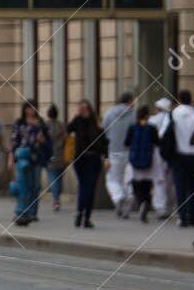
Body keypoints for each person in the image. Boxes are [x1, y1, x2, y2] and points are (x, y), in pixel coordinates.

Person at [167, 89, 194, 227]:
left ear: (179, 99)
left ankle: (182, 216)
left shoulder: (173, 114)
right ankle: (192, 215)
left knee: (180, 187)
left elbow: (164, 134)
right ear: (191, 100)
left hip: (179, 156)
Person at [66, 99, 105, 228]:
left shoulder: (95, 121)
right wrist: (76, 117)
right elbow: (68, 129)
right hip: (80, 159)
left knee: (91, 188)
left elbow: (103, 140)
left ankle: (86, 216)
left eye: (84, 109)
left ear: (89, 109)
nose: (82, 111)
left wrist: (106, 157)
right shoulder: (77, 121)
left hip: (94, 159)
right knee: (84, 187)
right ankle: (80, 214)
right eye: (80, 109)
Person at [10, 101, 48, 226]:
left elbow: (47, 141)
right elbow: (14, 141)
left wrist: (42, 140)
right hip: (22, 157)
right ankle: (23, 210)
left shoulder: (40, 123)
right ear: (25, 110)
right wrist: (11, 158)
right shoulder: (19, 123)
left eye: (32, 108)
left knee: (35, 185)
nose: (30, 111)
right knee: (23, 185)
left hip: (36, 157)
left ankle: (32, 212)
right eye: (28, 108)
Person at [101, 91, 136, 218]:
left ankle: (118, 196)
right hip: (130, 152)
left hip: (113, 151)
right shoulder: (134, 115)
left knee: (112, 179)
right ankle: (127, 204)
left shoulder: (109, 114)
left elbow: (103, 134)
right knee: (128, 179)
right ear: (129, 101)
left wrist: (104, 155)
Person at [125, 106, 159, 222]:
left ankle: (141, 203)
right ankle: (146, 203)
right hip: (149, 161)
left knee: (136, 185)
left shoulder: (132, 128)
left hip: (135, 161)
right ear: (147, 116)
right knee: (147, 186)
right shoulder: (152, 128)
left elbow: (126, 143)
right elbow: (157, 142)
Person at [149, 98, 174, 217]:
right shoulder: (172, 119)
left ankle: (160, 207)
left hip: (157, 154)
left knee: (159, 181)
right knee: (169, 181)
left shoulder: (152, 120)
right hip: (170, 154)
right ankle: (168, 207)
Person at [43, 103, 67, 212]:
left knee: (53, 178)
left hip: (49, 156)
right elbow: (66, 139)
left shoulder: (45, 126)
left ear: (48, 114)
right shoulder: (61, 125)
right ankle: (57, 198)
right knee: (59, 178)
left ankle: (56, 200)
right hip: (61, 155)